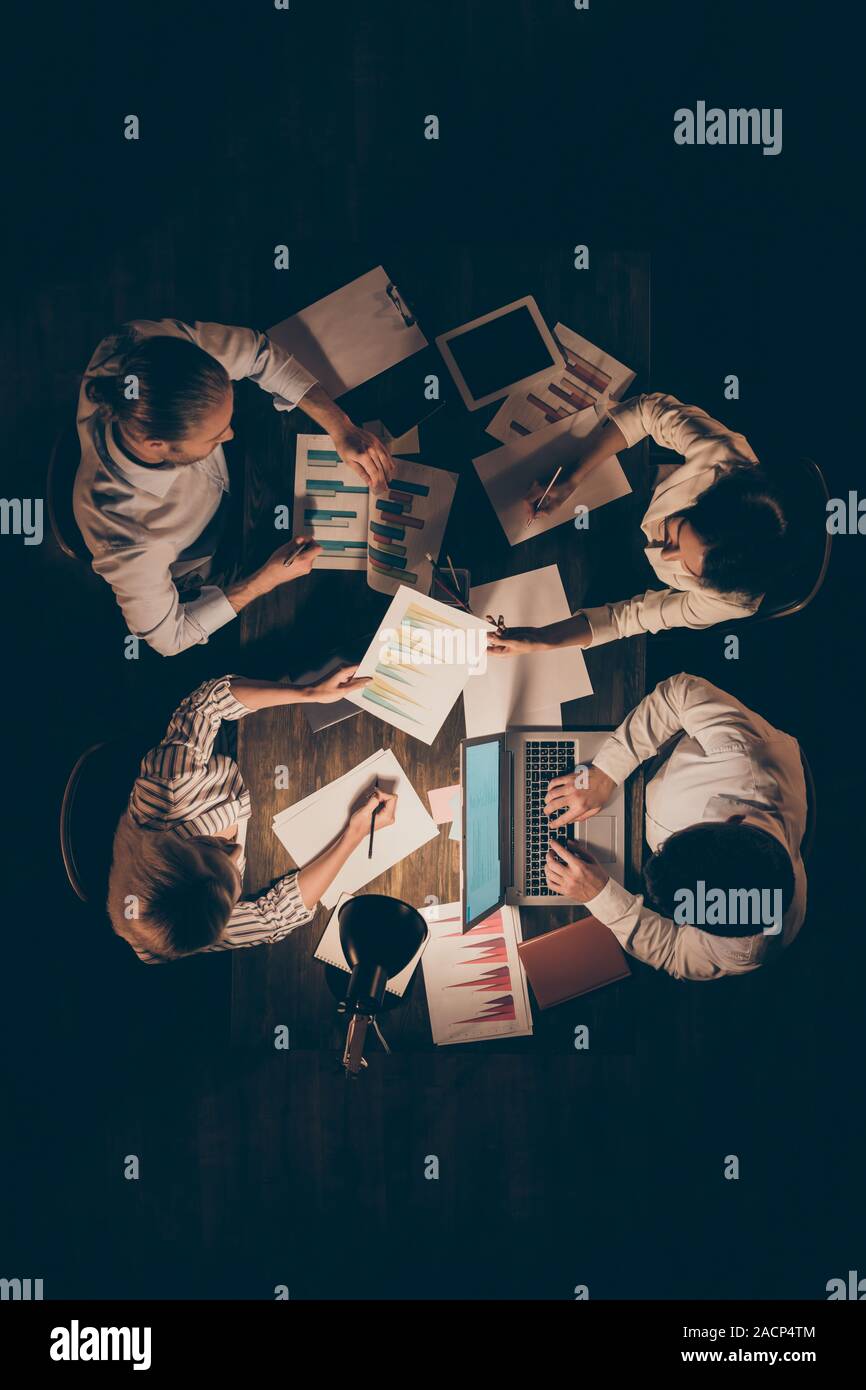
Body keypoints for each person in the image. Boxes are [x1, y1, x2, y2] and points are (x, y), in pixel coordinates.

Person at [74, 318, 396, 656]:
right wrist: (265, 580)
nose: (230, 435)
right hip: (212, 563)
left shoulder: (146, 347)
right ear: (157, 445)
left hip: (239, 485)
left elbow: (259, 353)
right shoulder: (124, 539)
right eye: (215, 437)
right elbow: (169, 639)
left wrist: (339, 425)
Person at [108, 669, 397, 963]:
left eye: (212, 847)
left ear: (176, 850)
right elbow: (274, 918)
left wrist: (309, 693)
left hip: (234, 745)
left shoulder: (169, 786)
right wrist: (355, 832)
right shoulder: (181, 931)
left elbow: (208, 703)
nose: (236, 851)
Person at [539, 673, 807, 981]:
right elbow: (678, 694)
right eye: (669, 844)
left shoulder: (748, 948)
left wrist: (602, 897)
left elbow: (674, 952)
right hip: (644, 765)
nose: (662, 843)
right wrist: (606, 772)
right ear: (733, 821)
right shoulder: (745, 751)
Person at [488, 393, 789, 655]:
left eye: (688, 568)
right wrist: (572, 477)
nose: (665, 554)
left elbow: (631, 619)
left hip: (629, 574)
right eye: (677, 535)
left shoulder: (733, 602)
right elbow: (648, 411)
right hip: (634, 496)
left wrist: (542, 640)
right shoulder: (723, 454)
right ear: (705, 497)